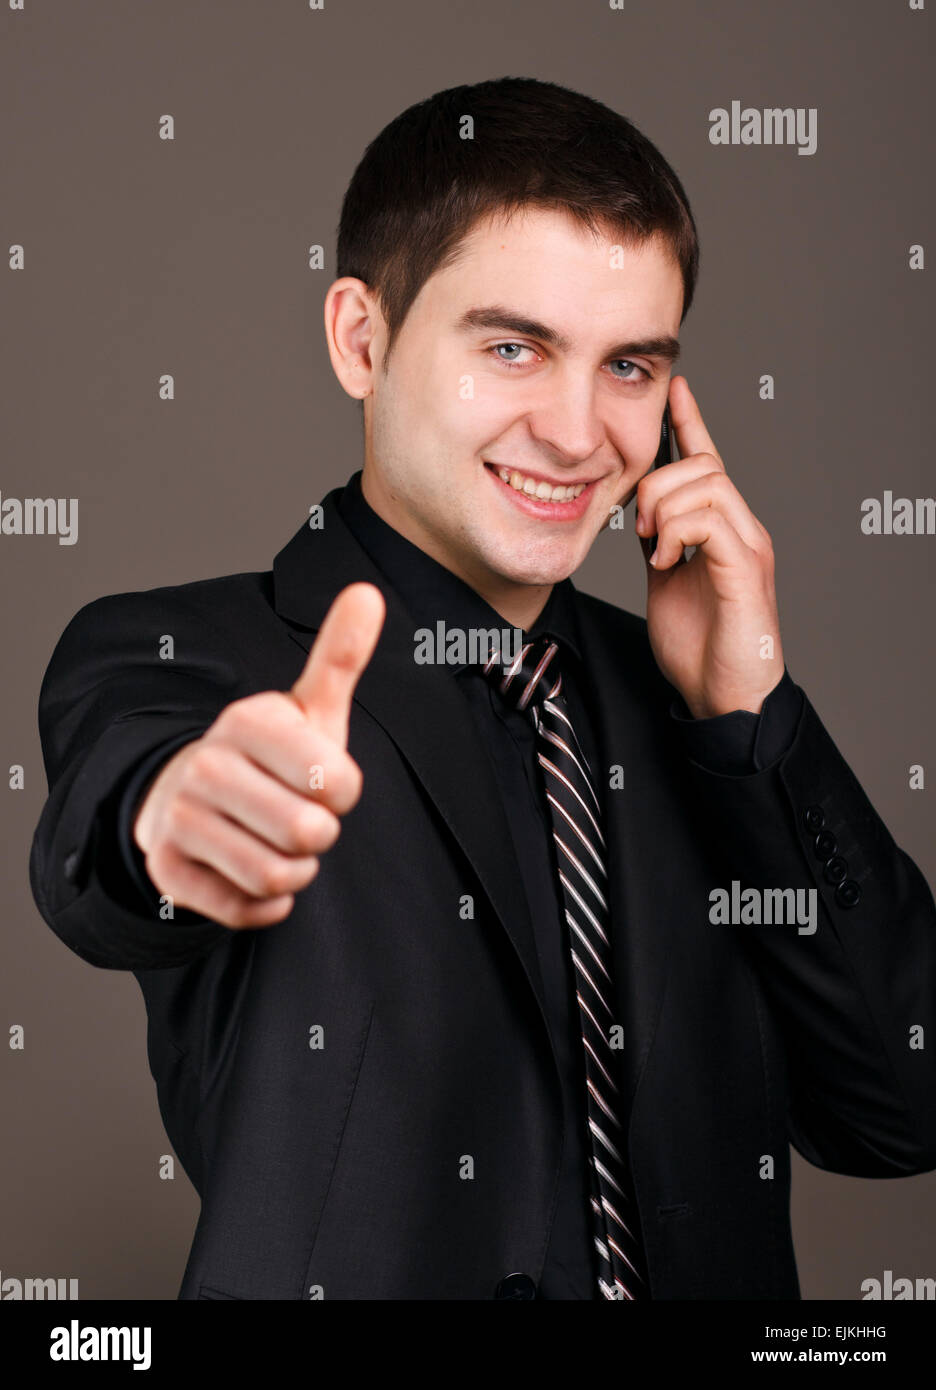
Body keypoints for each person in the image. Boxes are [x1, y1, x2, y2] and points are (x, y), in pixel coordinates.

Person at [30, 76, 936, 1301]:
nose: (575, 432)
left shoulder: (696, 704)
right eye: (513, 347)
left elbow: (903, 1107)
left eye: (629, 367)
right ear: (362, 338)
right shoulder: (185, 655)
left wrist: (754, 719)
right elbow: (120, 831)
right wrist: (179, 822)